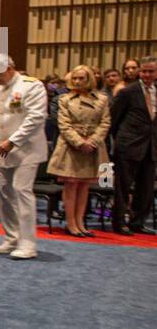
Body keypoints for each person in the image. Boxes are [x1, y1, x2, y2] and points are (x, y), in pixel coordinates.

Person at [0, 53, 49, 258]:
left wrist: (13, 141)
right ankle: (11, 238)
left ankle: (28, 243)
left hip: (26, 150)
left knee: (22, 192)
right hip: (2, 151)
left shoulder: (32, 86)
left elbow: (36, 118)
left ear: (11, 68)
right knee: (4, 195)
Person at [47, 66, 110, 237]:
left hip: (94, 146)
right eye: (75, 78)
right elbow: (63, 125)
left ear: (89, 79)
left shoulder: (102, 99)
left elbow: (105, 123)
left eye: (81, 78)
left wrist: (93, 141)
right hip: (71, 146)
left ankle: (80, 222)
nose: (77, 81)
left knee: (85, 186)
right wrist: (80, 142)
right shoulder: (64, 99)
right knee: (71, 185)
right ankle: (71, 223)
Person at [108, 55, 156, 235]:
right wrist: (120, 142)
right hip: (128, 146)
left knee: (146, 188)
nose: (146, 75)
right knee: (122, 187)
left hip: (151, 147)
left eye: (151, 71)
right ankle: (119, 223)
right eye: (143, 71)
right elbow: (114, 120)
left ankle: (137, 222)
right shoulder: (128, 92)